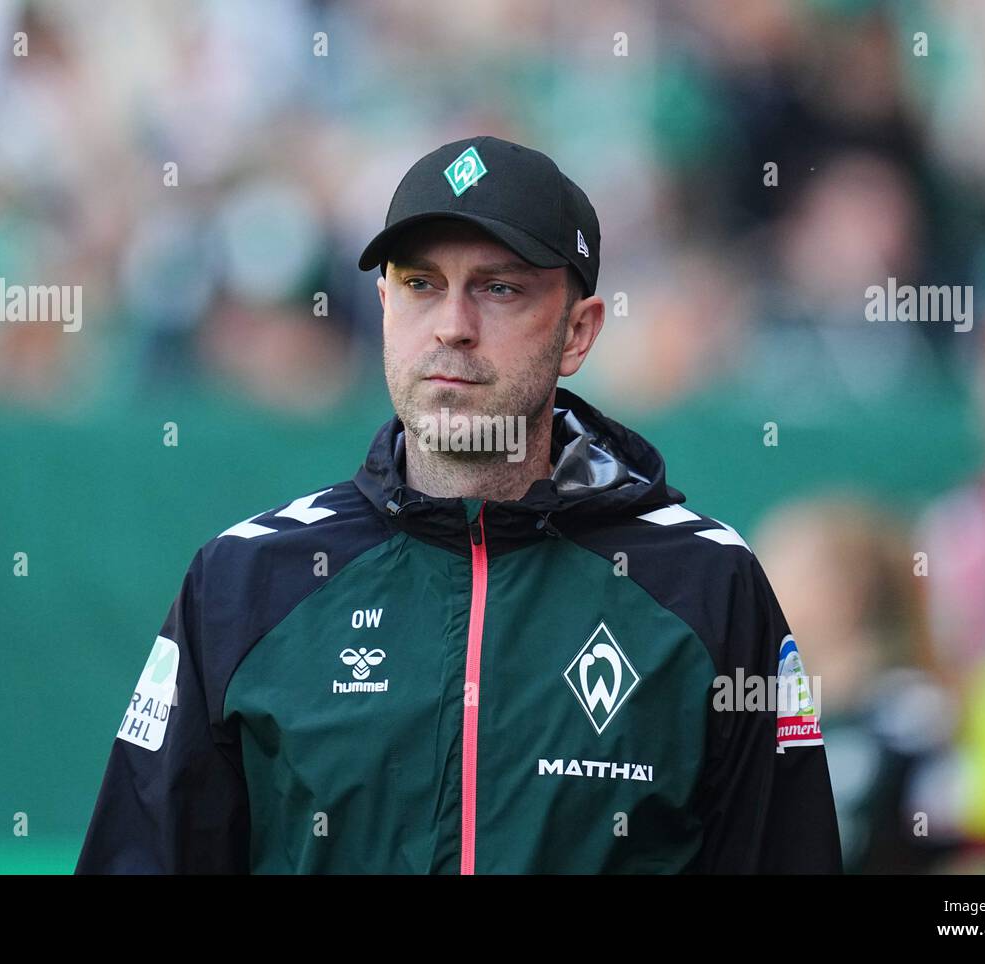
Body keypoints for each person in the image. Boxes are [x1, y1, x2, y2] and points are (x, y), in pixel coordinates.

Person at [75, 135, 842, 874]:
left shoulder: (709, 588)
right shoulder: (242, 582)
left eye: (499, 288)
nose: (451, 326)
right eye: (420, 284)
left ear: (579, 331)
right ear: (383, 305)